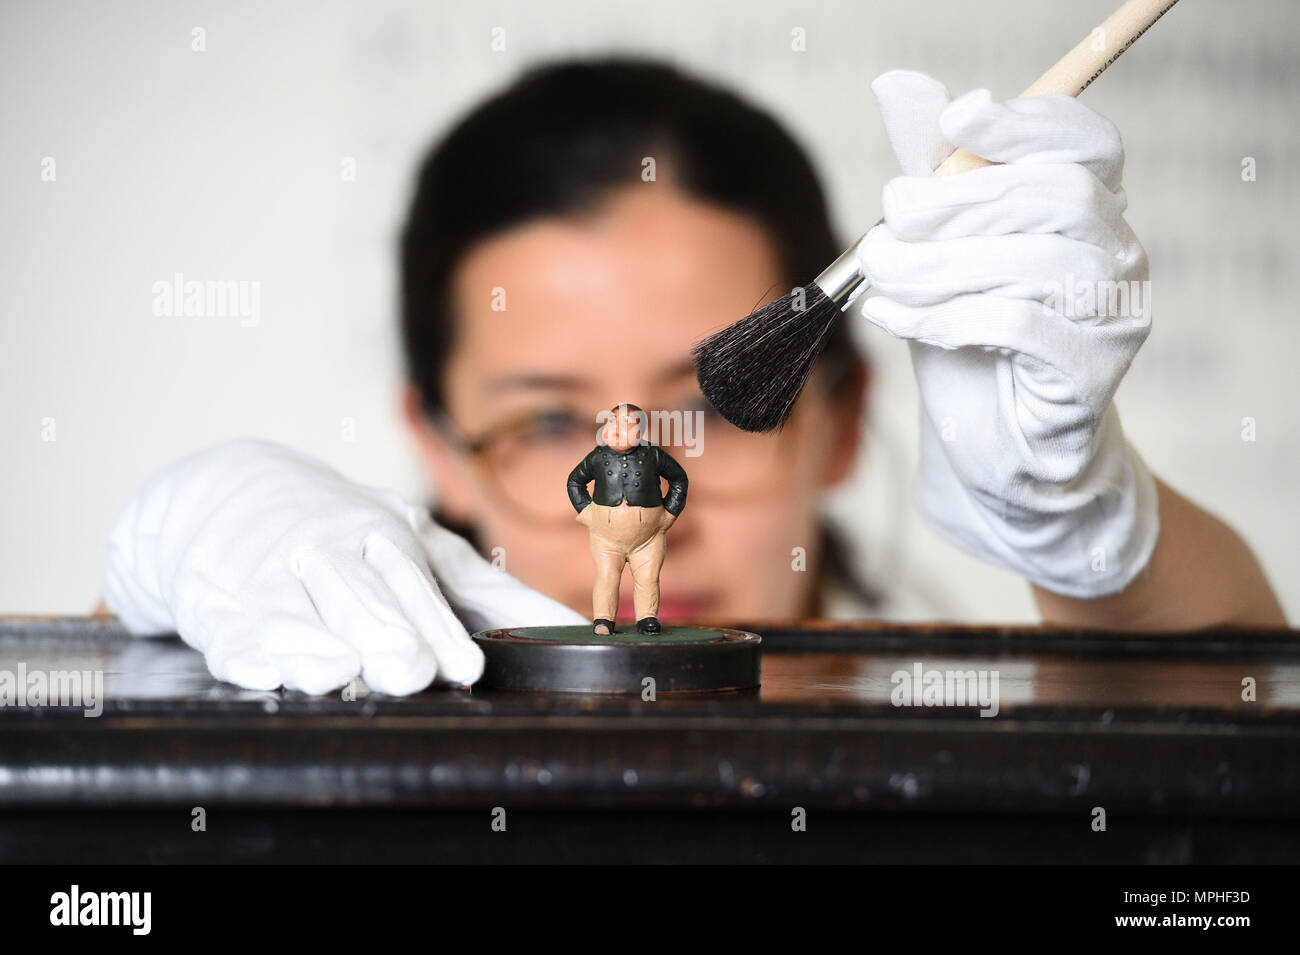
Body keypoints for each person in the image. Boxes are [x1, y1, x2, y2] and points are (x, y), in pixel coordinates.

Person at [102, 60, 1285, 697]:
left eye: (714, 408)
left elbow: (1245, 746)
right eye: (545, 415)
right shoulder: (312, 683)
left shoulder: (971, 721)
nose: (672, 497)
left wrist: (1083, 526)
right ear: (435, 441)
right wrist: (173, 557)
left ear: (836, 418)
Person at [568, 403, 689, 635]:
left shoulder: (653, 454)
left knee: (648, 577)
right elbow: (575, 481)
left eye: (625, 423)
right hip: (606, 539)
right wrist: (585, 511)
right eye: (612, 422)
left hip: (649, 538)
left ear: (639, 430)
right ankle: (603, 619)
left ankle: (647, 618)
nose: (616, 428)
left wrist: (670, 513)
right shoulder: (597, 456)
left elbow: (679, 479)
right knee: (606, 576)